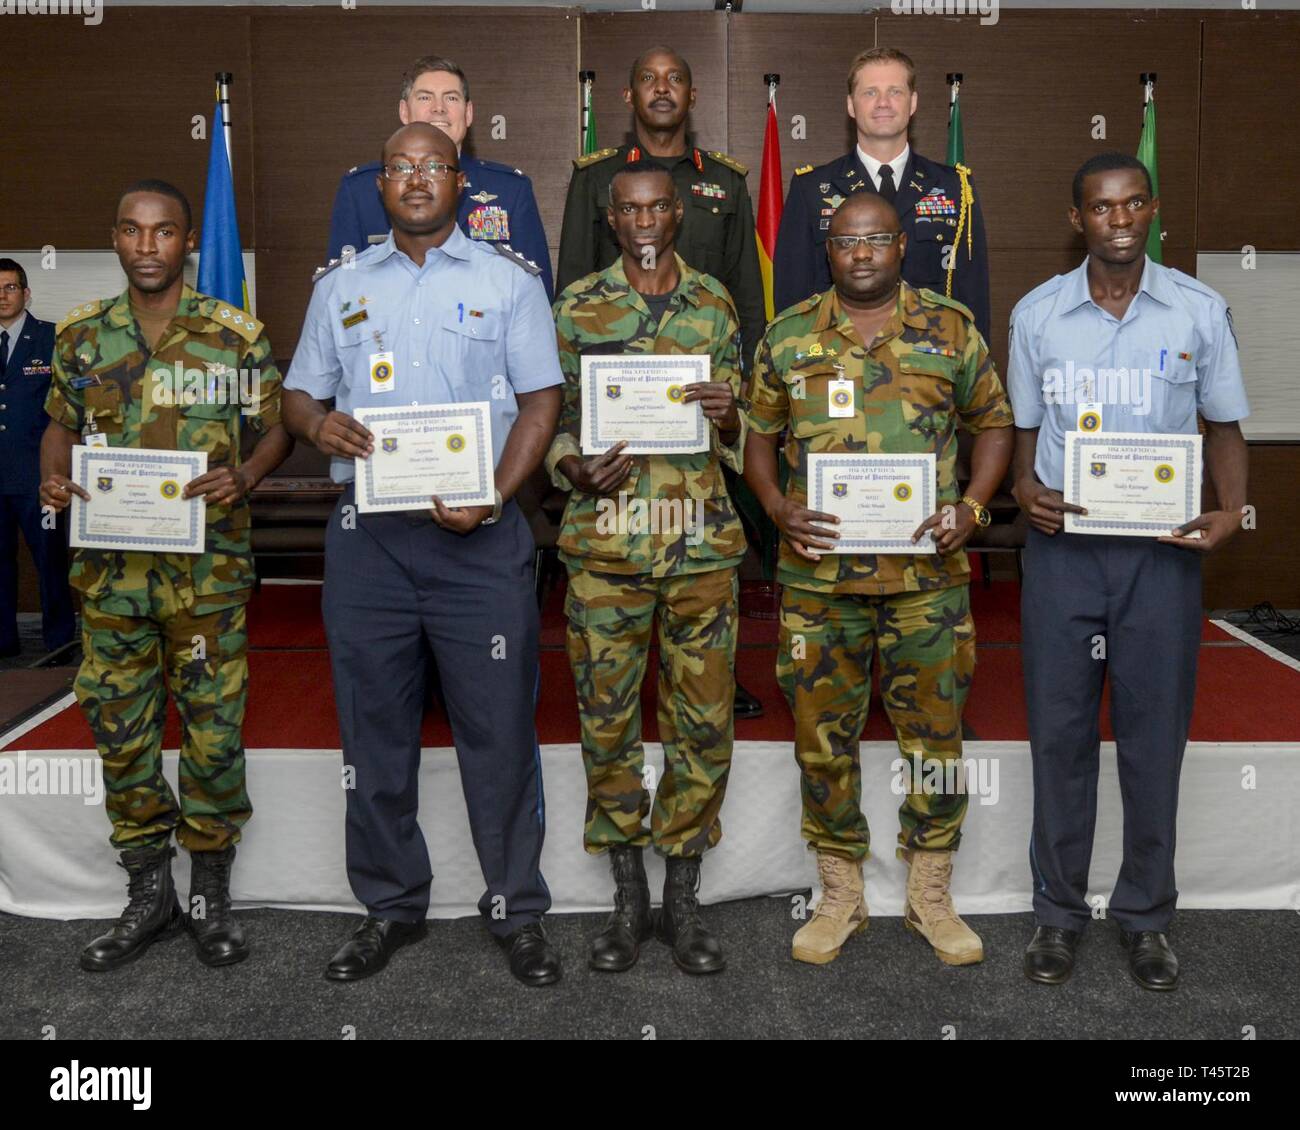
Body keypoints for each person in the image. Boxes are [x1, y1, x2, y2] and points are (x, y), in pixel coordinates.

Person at [285, 123, 565, 987]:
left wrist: (497, 494)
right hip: (372, 545)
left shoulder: (506, 282)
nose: (414, 180)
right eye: (398, 168)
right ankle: (390, 905)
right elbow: (298, 392)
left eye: (431, 167)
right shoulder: (340, 288)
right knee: (373, 735)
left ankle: (517, 908)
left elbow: (541, 402)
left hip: (477, 543)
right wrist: (314, 422)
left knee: (499, 733)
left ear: (459, 182)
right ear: (380, 185)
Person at [744, 192, 1013, 967]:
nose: (861, 254)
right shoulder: (789, 335)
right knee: (820, 739)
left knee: (934, 739)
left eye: (876, 241)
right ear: (828, 251)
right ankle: (840, 894)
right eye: (845, 242)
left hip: (926, 580)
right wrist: (773, 504)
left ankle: (930, 894)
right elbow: (758, 439)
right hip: (819, 581)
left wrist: (971, 506)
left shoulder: (950, 328)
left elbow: (992, 423)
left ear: (902, 246)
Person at [1009, 153, 1250, 992]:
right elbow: (1019, 441)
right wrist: (1022, 493)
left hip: (1162, 558)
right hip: (1065, 557)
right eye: (1101, 207)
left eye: (1133, 203)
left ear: (1151, 211)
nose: (1119, 219)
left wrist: (1231, 509)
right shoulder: (1037, 315)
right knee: (1061, 736)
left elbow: (1224, 425)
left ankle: (1146, 917)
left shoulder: (1197, 310)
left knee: (1154, 740)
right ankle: (1057, 915)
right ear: (1077, 219)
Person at [39, 181, 290, 971]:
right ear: (115, 239)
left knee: (214, 737)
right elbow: (59, 425)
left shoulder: (233, 337)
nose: (148, 246)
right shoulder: (82, 337)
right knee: (121, 733)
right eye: (133, 231)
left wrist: (245, 476)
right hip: (110, 581)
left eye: (164, 232)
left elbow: (276, 428)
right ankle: (149, 892)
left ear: (187, 242)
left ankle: (211, 892)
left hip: (206, 577)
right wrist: (53, 477)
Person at [548, 161, 746, 975]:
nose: (645, 220)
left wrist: (732, 415)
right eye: (629, 209)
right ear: (609, 217)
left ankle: (683, 899)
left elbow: (743, 428)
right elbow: (550, 418)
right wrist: (571, 466)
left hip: (698, 544)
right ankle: (628, 898)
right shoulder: (575, 306)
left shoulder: (716, 304)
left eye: (659, 206)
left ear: (678, 213)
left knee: (703, 726)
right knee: (608, 725)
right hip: (606, 547)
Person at [557, 43, 766, 719]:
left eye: (676, 77)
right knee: (608, 716)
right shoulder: (596, 179)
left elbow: (746, 306)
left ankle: (705, 684)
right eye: (647, 78)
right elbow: (572, 310)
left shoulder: (723, 184)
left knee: (702, 705)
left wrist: (737, 408)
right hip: (613, 446)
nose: (663, 89)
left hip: (695, 453)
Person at [773, 46, 991, 345]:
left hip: (930, 364)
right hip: (837, 366)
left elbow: (972, 294)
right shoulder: (811, 189)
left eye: (896, 92)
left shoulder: (955, 187)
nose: (884, 103)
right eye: (870, 92)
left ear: (913, 102)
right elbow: (792, 296)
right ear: (851, 105)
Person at [327, 55, 554, 300]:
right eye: (425, 97)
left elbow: (535, 295)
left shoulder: (511, 191)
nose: (439, 108)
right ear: (404, 111)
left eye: (451, 98)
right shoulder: (360, 190)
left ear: (468, 113)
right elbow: (342, 294)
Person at [0, 258, 74, 656]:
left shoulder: (52, 338)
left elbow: (67, 407)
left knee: (50, 563)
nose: (3, 296)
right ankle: (4, 644)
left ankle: (60, 640)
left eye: (10, 287)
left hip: (38, 476)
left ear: (26, 293)